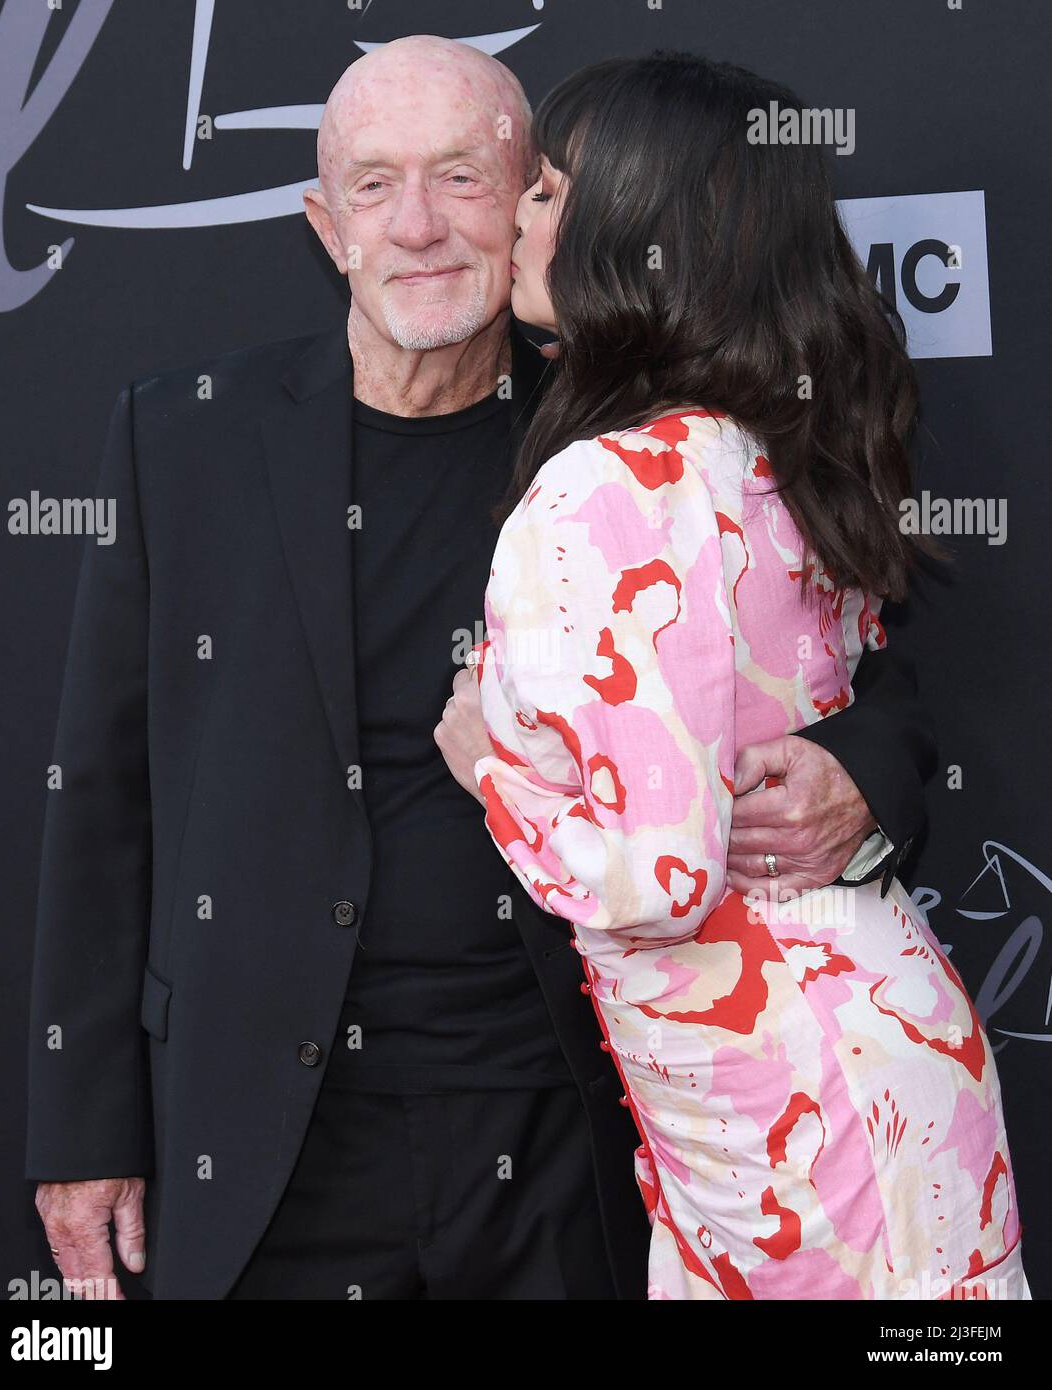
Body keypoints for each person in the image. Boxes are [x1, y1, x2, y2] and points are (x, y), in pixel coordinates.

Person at [28, 37, 933, 1301]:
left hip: (566, 1117)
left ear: (531, 206)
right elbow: (102, 798)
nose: (417, 227)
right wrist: (80, 1132)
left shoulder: (624, 448)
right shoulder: (182, 434)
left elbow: (847, 652)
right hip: (268, 1126)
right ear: (321, 222)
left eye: (461, 178)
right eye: (374, 186)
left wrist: (861, 776)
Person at [435, 51, 1030, 1300]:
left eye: (547, 190)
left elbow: (654, 873)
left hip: (794, 1121)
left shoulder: (606, 489)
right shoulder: (774, 450)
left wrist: (487, 767)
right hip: (839, 1078)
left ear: (643, 228)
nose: (513, 218)